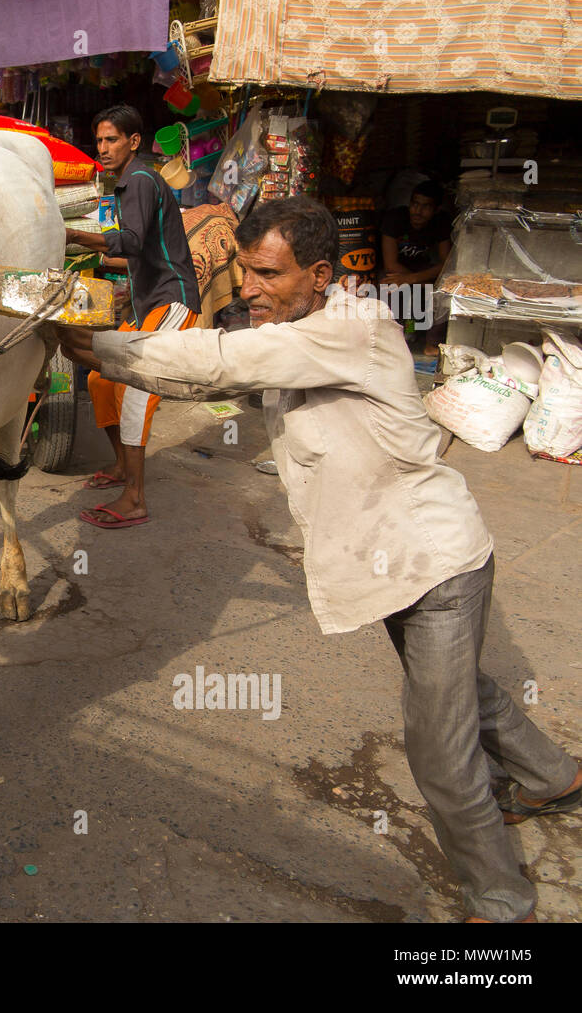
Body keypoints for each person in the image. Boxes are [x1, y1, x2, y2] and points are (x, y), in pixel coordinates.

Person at [55, 196, 581, 923]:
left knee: (438, 747)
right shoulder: (301, 325)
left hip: (433, 564)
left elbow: (219, 361)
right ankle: (554, 776)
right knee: (461, 694)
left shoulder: (348, 328)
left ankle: (503, 902)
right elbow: (206, 375)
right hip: (390, 560)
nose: (248, 288)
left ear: (320, 273)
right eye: (245, 270)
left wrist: (101, 346)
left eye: (267, 273)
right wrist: (103, 353)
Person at [63, 104, 201, 528]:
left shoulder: (139, 180)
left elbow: (132, 242)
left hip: (173, 301)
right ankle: (123, 466)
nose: (102, 148)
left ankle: (136, 498)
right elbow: (138, 252)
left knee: (136, 388)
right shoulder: (128, 183)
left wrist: (74, 234)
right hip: (148, 304)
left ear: (134, 142)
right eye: (99, 140)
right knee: (100, 380)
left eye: (112, 140)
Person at [379, 179, 452, 354]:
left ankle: (430, 343)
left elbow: (447, 264)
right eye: (415, 204)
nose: (417, 212)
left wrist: (413, 279)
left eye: (425, 207)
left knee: (440, 293)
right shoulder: (395, 218)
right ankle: (391, 338)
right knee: (390, 289)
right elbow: (390, 264)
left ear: (435, 210)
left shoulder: (441, 222)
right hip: (396, 271)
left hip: (420, 272)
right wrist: (413, 281)